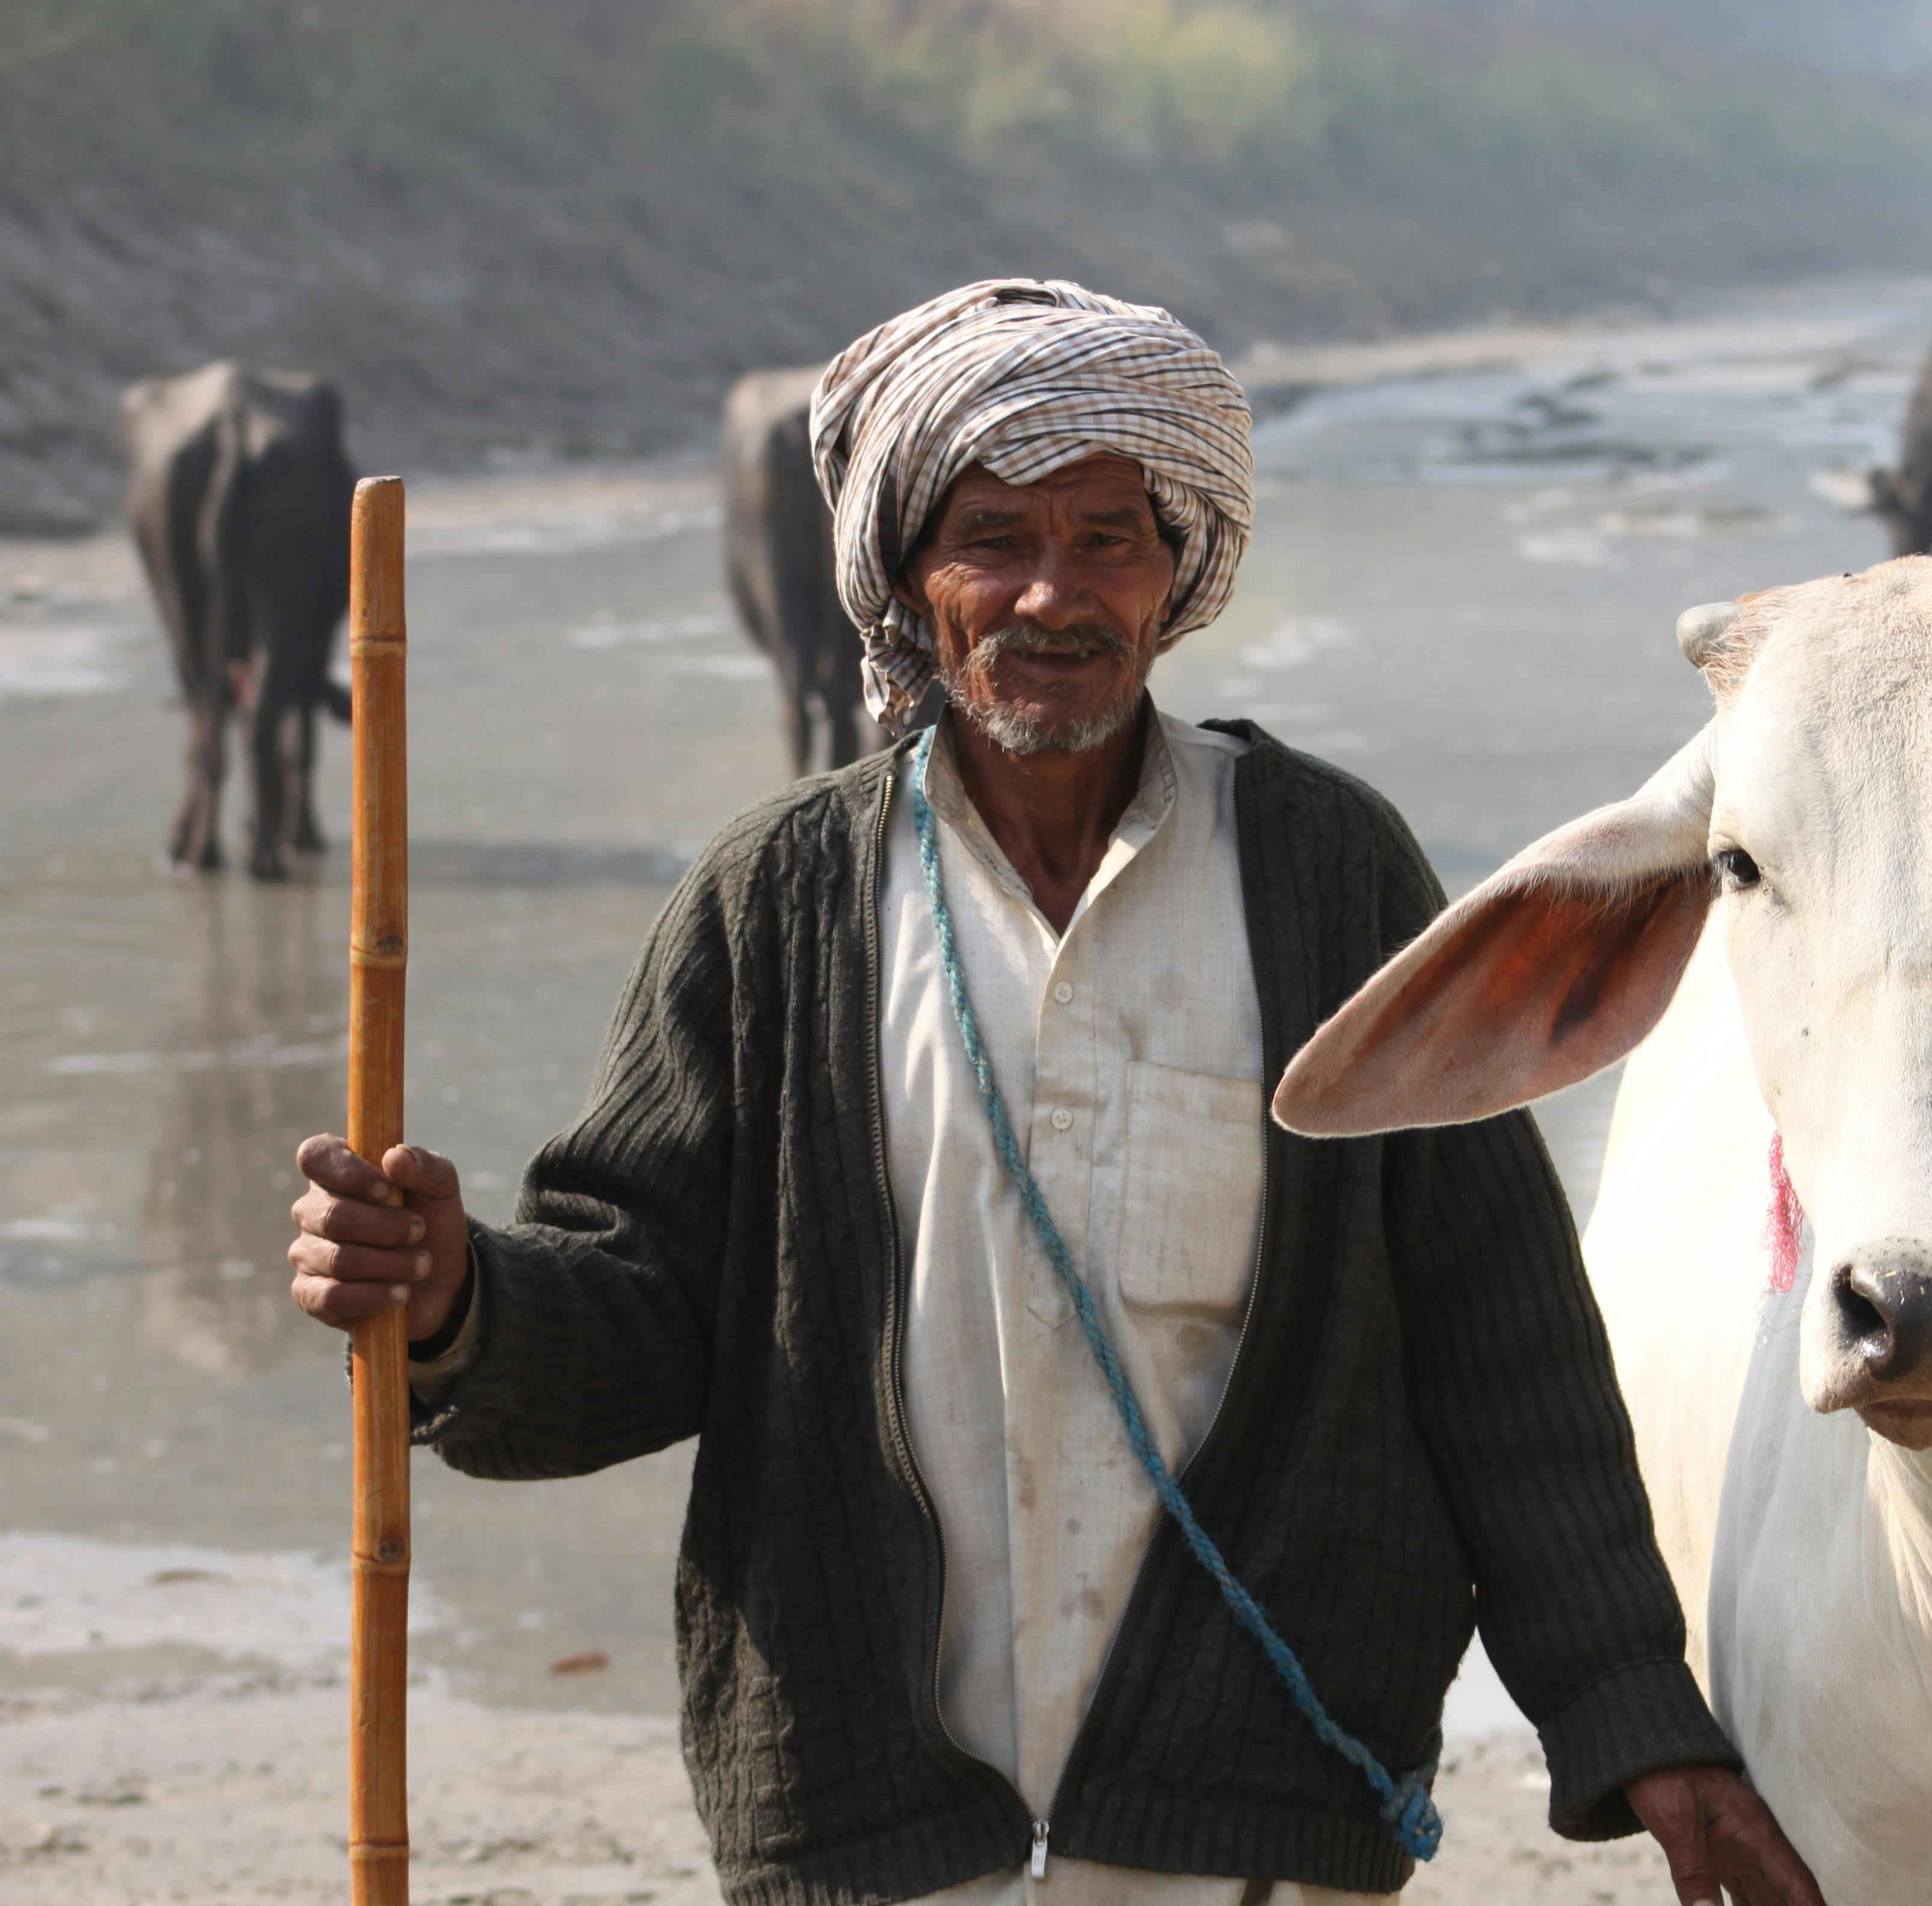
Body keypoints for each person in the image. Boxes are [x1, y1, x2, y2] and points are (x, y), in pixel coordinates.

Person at [286, 280, 1823, 1906]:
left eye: (1107, 539)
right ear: (907, 581)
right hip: (876, 1836)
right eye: (993, 540)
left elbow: (1497, 1333)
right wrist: (454, 1299)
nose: (1052, 593)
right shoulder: (775, 901)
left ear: (1177, 571)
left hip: (1256, 1827)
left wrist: (1634, 1718)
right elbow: (650, 1309)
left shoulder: (1327, 870)